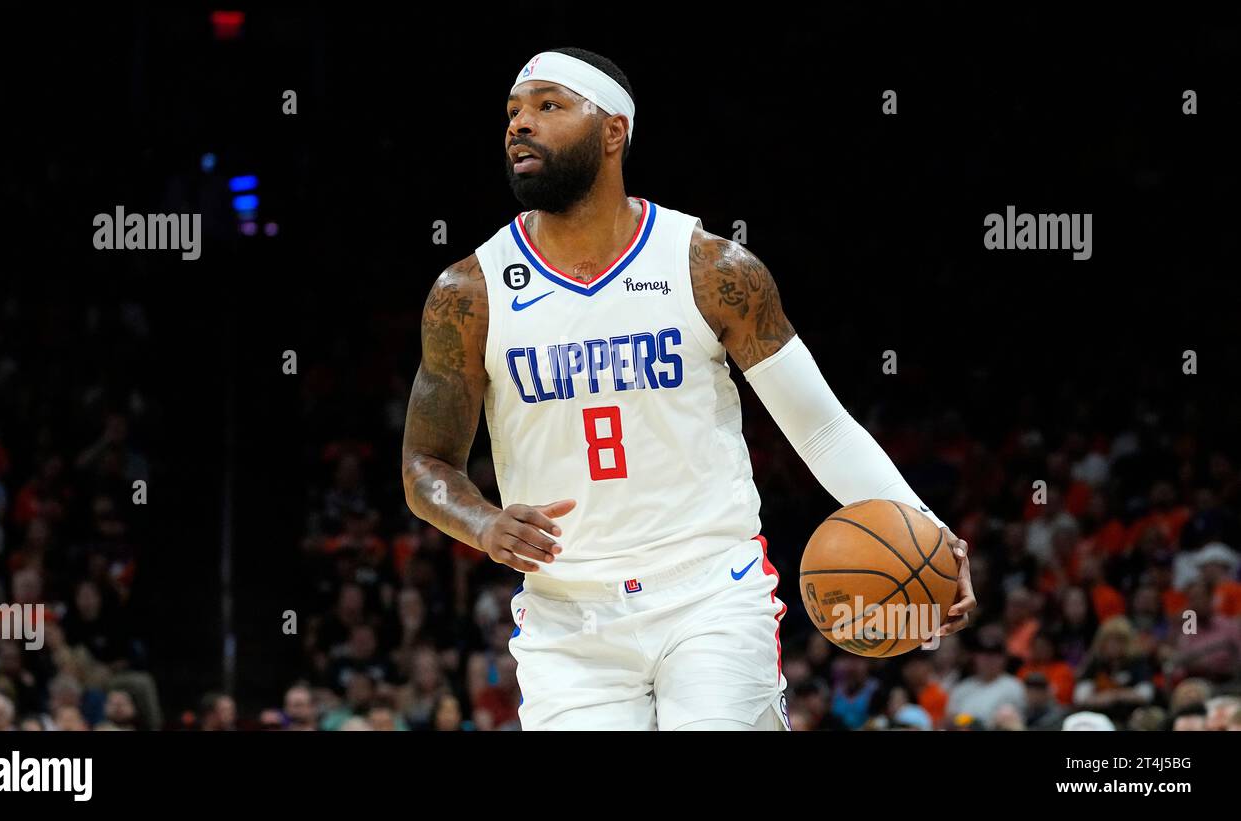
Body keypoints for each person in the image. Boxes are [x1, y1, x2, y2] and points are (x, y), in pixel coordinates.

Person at [401, 47, 976, 730]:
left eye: (548, 105)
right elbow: (424, 464)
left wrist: (932, 534)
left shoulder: (710, 269)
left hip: (709, 593)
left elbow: (821, 428)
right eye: (513, 112)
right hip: (568, 617)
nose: (519, 124)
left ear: (614, 130)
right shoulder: (469, 292)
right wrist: (485, 522)